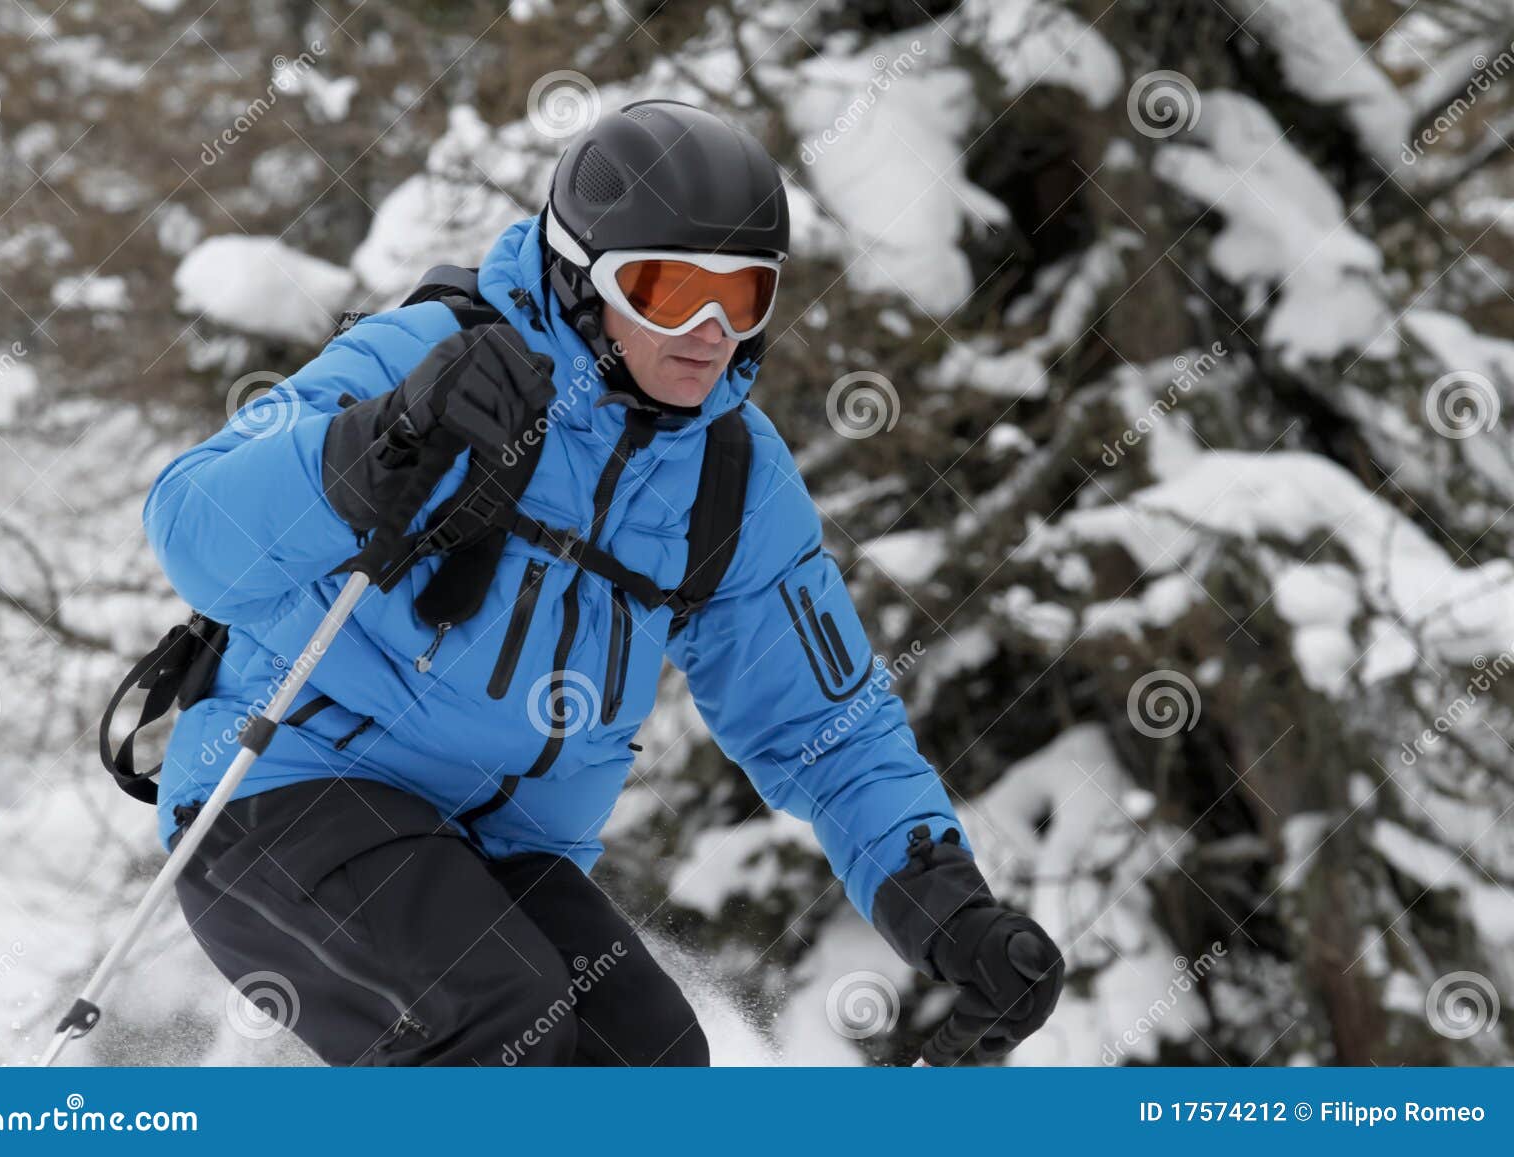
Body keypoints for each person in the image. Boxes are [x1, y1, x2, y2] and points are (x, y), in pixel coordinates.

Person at [146, 98, 1064, 1066]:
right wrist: (380, 441)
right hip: (284, 789)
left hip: (496, 852)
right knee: (498, 1011)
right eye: (669, 291)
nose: (711, 331)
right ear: (580, 277)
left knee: (652, 1057)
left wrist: (944, 904)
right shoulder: (436, 357)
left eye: (744, 296)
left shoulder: (730, 475)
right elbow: (194, 530)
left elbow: (824, 726)